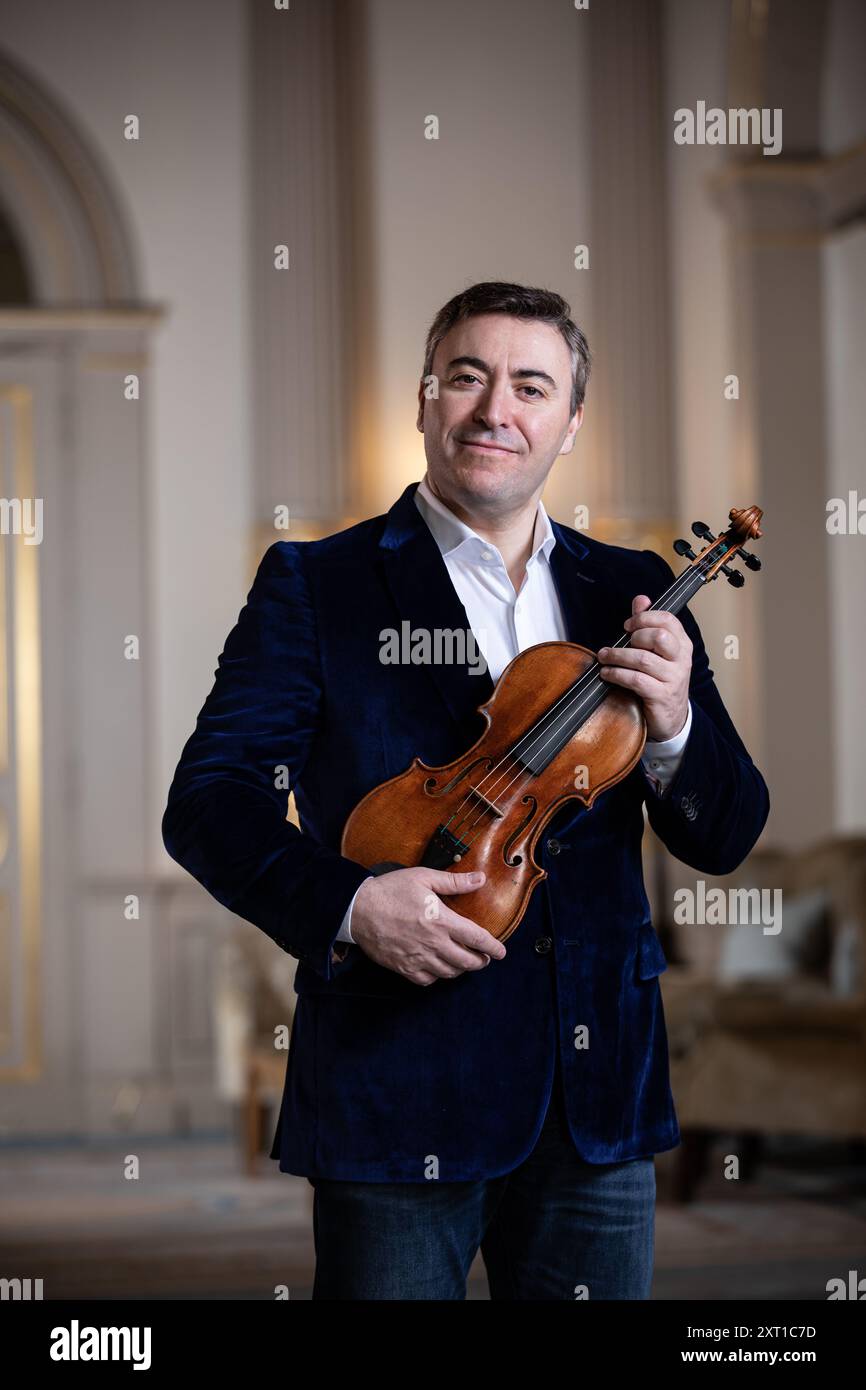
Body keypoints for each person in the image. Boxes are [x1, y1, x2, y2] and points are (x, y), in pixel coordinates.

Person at [162, 281, 769, 1300]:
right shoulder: (317, 584)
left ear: (568, 422)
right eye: (467, 377)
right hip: (394, 1084)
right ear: (424, 399)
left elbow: (725, 834)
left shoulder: (630, 593)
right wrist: (351, 906)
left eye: (531, 386)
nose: (495, 409)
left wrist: (672, 726)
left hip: (594, 1103)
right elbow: (209, 800)